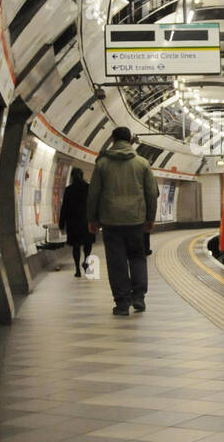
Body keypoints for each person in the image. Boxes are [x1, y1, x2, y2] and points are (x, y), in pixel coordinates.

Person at [87, 126, 159, 316]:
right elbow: (151, 193)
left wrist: (92, 219)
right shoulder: (142, 163)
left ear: (112, 139)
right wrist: (150, 218)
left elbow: (93, 193)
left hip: (110, 220)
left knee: (116, 261)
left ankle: (122, 303)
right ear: (131, 140)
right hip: (135, 220)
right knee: (137, 257)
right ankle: (139, 297)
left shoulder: (102, 163)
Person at [58, 167, 93, 277]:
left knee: (76, 246)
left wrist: (62, 223)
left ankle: (77, 269)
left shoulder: (69, 190)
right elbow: (93, 205)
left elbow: (64, 208)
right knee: (88, 243)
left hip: (73, 222)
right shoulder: (89, 188)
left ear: (72, 176)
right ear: (82, 176)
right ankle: (86, 261)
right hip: (86, 221)